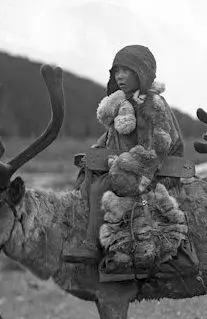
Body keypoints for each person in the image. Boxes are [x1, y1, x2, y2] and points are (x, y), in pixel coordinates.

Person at [64, 44, 185, 265]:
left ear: (142, 72)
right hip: (129, 166)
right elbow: (110, 139)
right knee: (85, 181)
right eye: (116, 71)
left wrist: (128, 163)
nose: (120, 76)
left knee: (100, 186)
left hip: (153, 171)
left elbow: (159, 145)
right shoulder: (124, 105)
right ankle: (83, 237)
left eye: (126, 70)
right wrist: (93, 155)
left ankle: (92, 246)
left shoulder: (152, 104)